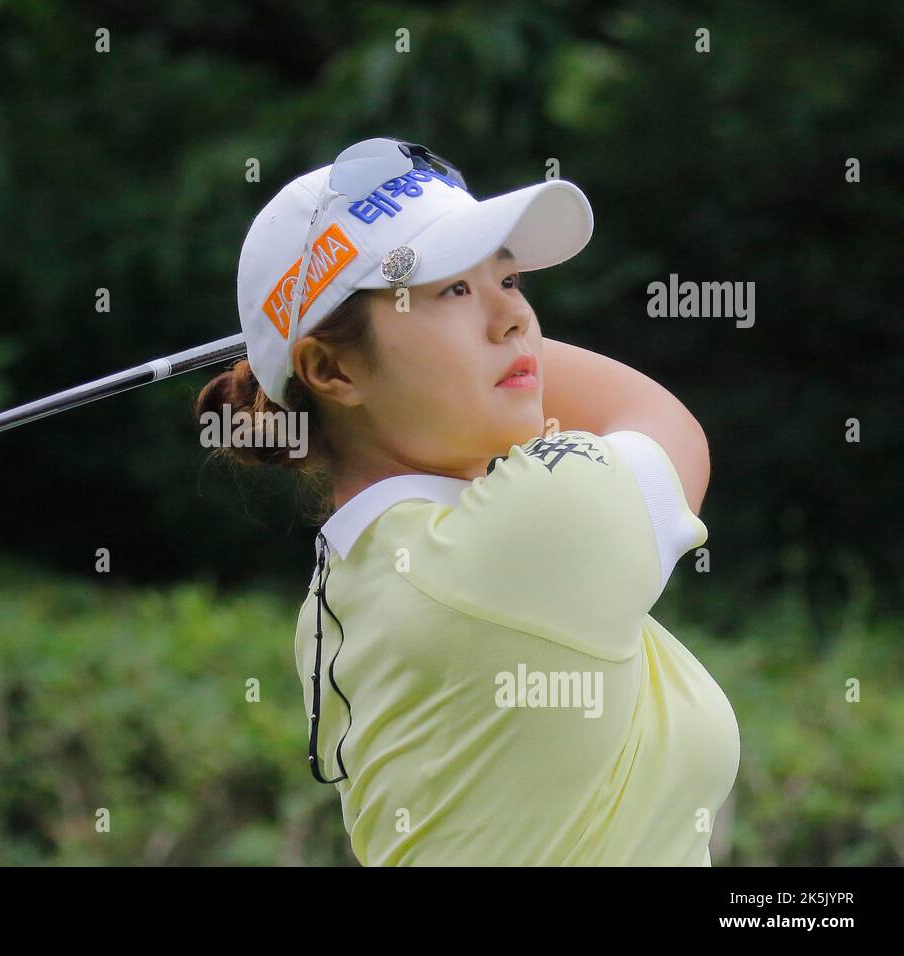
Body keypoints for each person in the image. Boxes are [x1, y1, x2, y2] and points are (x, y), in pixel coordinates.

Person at [195, 137, 740, 866]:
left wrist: (359, 340)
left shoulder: (356, 580)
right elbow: (663, 423)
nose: (513, 317)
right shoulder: (520, 538)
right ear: (330, 369)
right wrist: (507, 357)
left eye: (509, 280)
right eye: (452, 288)